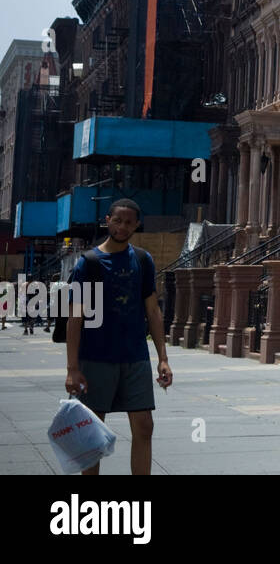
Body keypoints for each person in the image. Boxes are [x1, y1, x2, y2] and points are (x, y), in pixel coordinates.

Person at [64, 199, 173, 475]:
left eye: (129, 222)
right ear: (107, 220)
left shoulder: (142, 260)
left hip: (135, 357)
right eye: (117, 220)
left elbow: (153, 311)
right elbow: (75, 318)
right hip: (96, 359)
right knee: (92, 433)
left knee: (145, 426)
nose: (122, 226)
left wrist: (163, 358)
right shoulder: (88, 263)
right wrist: (72, 369)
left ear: (136, 225)